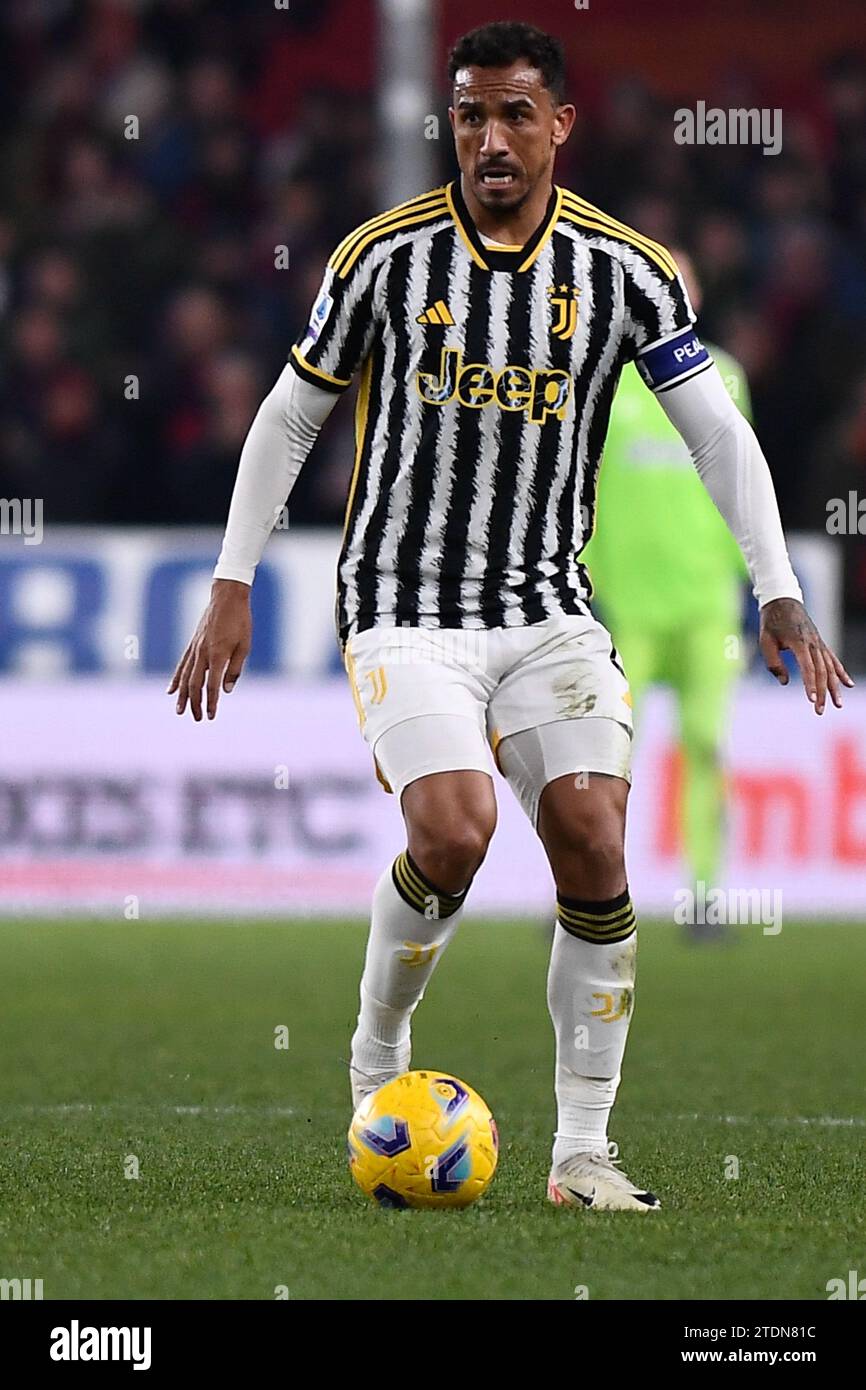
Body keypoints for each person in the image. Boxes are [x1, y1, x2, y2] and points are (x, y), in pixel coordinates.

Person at [169, 22, 851, 1212]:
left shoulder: (624, 271)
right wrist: (232, 583)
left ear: (559, 126)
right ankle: (374, 1062)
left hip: (546, 609)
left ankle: (580, 1151)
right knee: (454, 826)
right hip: (401, 602)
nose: (488, 139)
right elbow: (287, 419)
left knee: (591, 837)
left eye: (513, 115)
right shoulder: (382, 258)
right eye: (469, 114)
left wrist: (776, 583)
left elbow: (715, 434)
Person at [581, 251, 750, 914]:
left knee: (706, 745)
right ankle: (586, 891)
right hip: (627, 608)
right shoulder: (605, 383)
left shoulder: (724, 377)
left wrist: (759, 582)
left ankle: (707, 896)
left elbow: (744, 485)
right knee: (605, 757)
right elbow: (578, 489)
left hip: (708, 604)